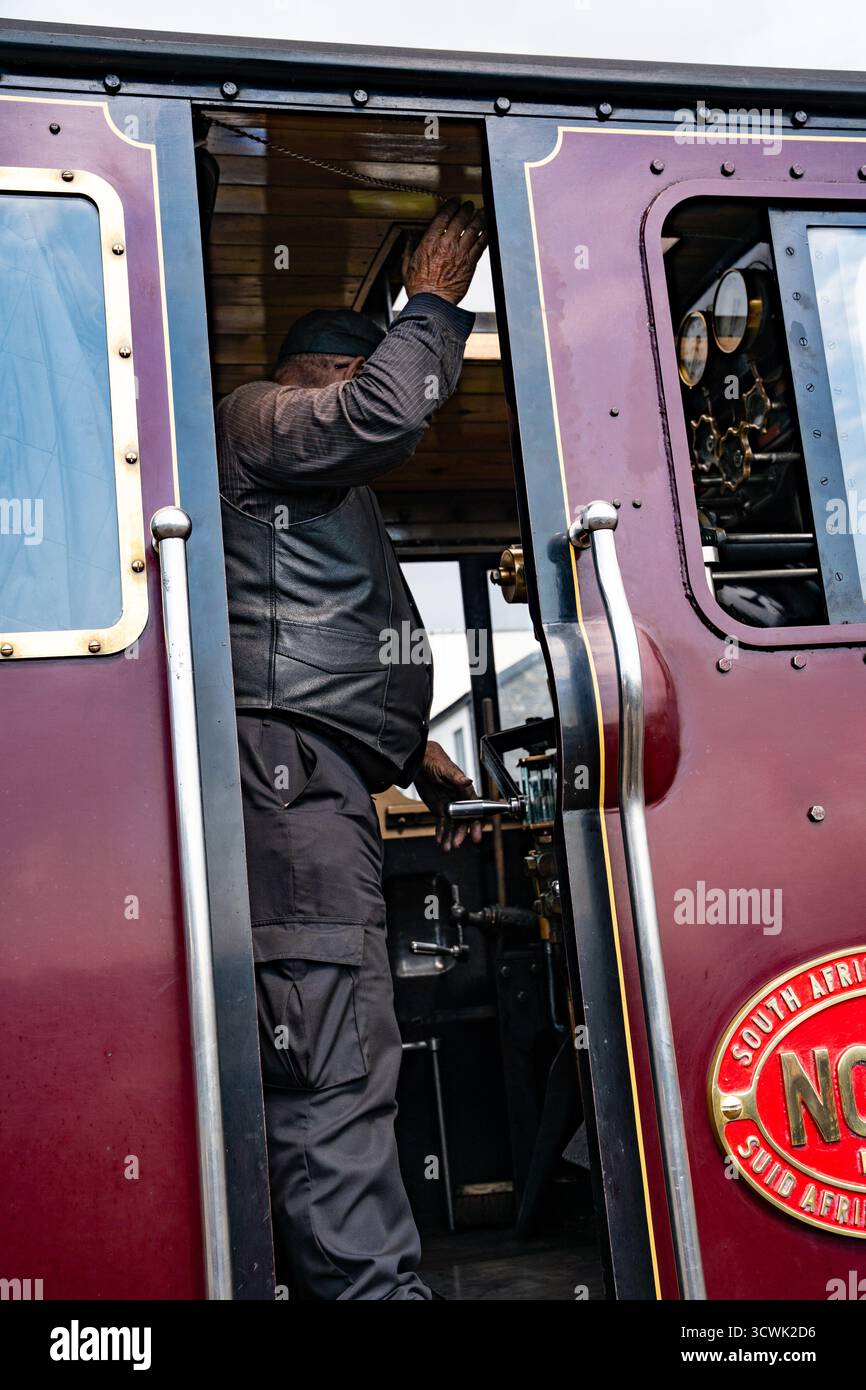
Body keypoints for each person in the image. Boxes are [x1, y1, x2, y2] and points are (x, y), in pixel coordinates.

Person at [217, 199, 487, 1299]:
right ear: (321, 377)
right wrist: (431, 301)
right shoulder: (258, 417)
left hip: (318, 776)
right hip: (292, 782)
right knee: (330, 1063)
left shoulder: (311, 488)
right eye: (361, 378)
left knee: (340, 1049)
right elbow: (383, 412)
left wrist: (410, 745)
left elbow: (316, 636)